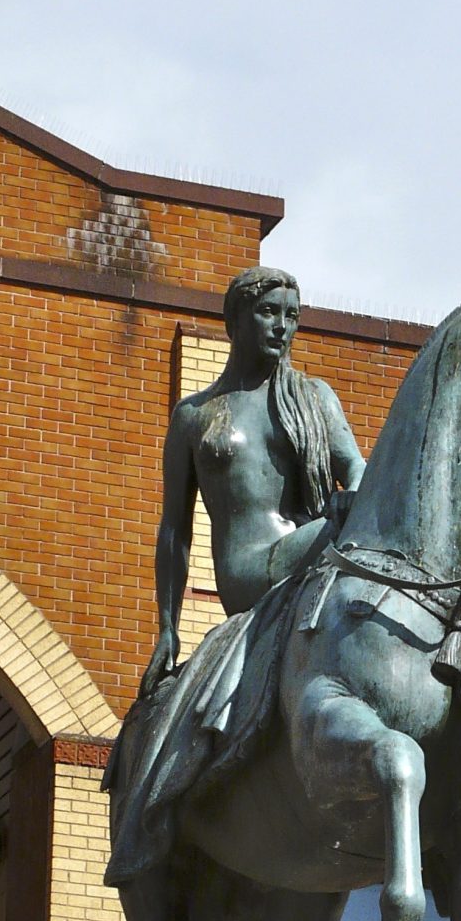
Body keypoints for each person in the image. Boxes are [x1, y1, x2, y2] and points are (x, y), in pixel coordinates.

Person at [140, 265, 364, 698]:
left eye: (292, 316)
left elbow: (355, 465)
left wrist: (352, 492)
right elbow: (174, 530)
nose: (282, 327)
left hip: (309, 544)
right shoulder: (195, 416)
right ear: (235, 320)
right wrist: (168, 628)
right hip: (248, 572)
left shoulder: (313, 397)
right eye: (268, 312)